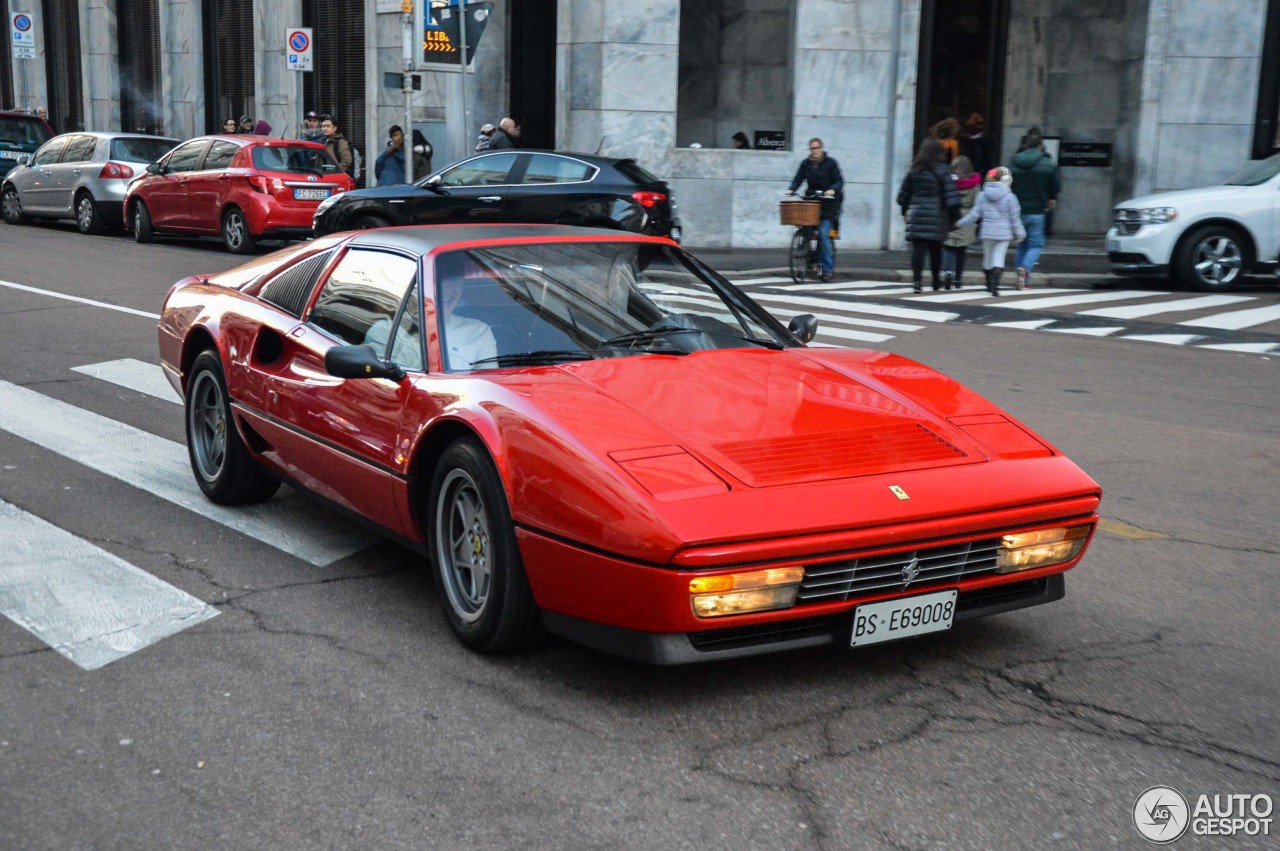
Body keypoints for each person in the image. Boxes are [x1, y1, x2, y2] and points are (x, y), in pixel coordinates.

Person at [896, 137, 960, 293]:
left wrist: (905, 211)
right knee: (936, 250)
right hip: (937, 215)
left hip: (917, 213)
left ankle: (917, 282)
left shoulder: (914, 170)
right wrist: (955, 216)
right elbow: (950, 196)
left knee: (918, 250)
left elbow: (903, 195)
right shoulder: (943, 170)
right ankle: (935, 280)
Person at [955, 166, 1025, 296]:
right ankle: (995, 287)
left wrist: (960, 223)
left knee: (988, 258)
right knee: (999, 258)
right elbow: (1015, 218)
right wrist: (1020, 233)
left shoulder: (982, 195)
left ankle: (988, 283)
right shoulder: (1010, 197)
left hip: (987, 232)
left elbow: (974, 215)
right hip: (1004, 233)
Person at [785, 137, 844, 281]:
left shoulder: (831, 163)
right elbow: (798, 179)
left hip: (829, 204)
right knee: (806, 229)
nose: (815, 151)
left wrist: (832, 190)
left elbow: (839, 181)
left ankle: (827, 269)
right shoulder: (805, 164)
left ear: (821, 148)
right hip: (812, 201)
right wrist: (791, 189)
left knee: (824, 234)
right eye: (812, 148)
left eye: (817, 148)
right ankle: (807, 262)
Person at [1009, 130, 1062, 288]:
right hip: (1038, 210)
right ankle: (1025, 269)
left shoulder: (1013, 162)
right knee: (1036, 244)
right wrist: (1051, 197)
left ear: (1025, 146)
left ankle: (1022, 278)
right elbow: (1056, 185)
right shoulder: (1047, 163)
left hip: (1018, 210)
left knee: (1022, 244)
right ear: (1041, 146)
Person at [436, 262, 498, 371]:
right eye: (438, 280)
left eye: (454, 280)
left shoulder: (478, 331)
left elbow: (488, 380)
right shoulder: (403, 330)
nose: (446, 288)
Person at [942, 155, 982, 290]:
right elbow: (978, 201)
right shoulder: (975, 183)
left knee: (948, 248)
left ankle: (948, 272)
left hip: (951, 216)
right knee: (961, 251)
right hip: (967, 217)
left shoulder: (948, 181)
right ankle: (958, 279)